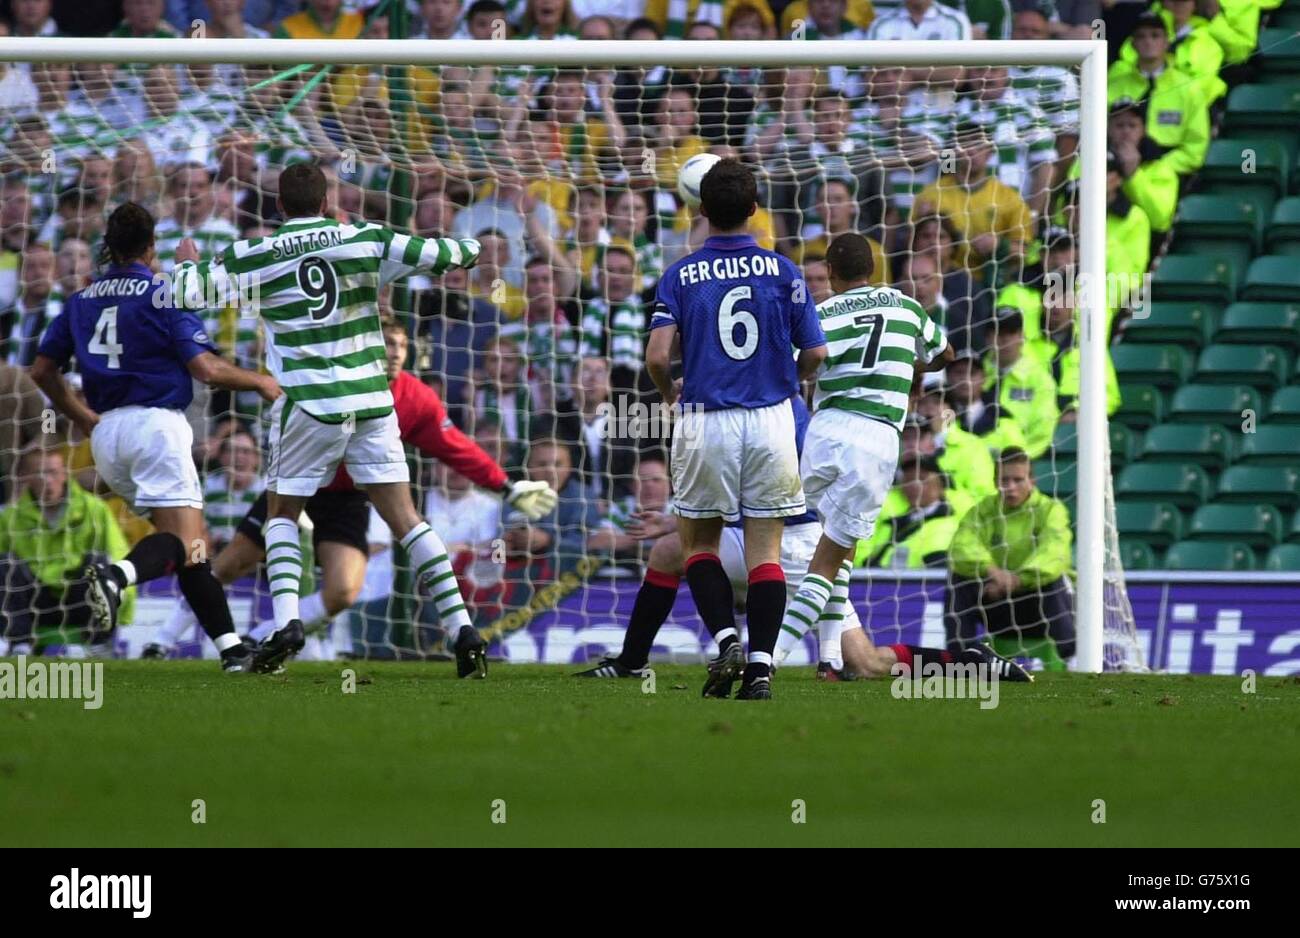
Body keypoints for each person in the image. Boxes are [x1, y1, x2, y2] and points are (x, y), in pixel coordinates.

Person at [172, 162, 496, 676]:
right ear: (326, 204)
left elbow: (186, 296)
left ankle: (286, 625)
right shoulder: (363, 237)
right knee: (408, 520)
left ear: (280, 206)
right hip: (371, 403)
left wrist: (186, 261)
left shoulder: (253, 252)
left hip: (308, 405)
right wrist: (469, 246)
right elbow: (450, 255)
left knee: (281, 515)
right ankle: (462, 628)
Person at [148, 314, 557, 664]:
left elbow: (456, 448)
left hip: (347, 496)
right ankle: (162, 640)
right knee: (232, 563)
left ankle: (265, 633)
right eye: (387, 344)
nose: (395, 352)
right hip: (300, 485)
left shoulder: (416, 398)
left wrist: (504, 485)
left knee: (343, 590)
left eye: (401, 345)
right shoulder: (332, 376)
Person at [29, 200, 279, 673]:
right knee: (184, 544)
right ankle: (115, 574)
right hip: (155, 428)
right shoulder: (163, 293)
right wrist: (261, 381)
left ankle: (231, 650)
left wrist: (80, 416)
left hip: (107, 436)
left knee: (191, 544)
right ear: (150, 248)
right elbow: (205, 368)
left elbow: (42, 369)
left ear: (110, 246)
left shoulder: (82, 299)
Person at [645, 157, 827, 700]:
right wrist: (789, 381)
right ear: (754, 209)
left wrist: (668, 391)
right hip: (771, 418)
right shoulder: (783, 270)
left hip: (705, 418)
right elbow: (815, 351)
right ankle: (762, 668)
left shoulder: (681, 273)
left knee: (698, 540)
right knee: (764, 551)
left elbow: (658, 354)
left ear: (700, 210)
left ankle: (725, 637)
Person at [946, 446, 1075, 662]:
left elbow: (1054, 553)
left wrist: (1015, 580)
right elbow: (961, 546)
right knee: (958, 580)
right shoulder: (983, 510)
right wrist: (993, 572)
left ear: (1032, 481)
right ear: (995, 481)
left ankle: (1073, 658)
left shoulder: (1051, 510)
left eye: (1018, 480)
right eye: (1004, 480)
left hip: (1039, 608)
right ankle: (960, 659)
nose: (1011, 487)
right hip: (996, 601)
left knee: (1054, 580)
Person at [0, 446, 131, 654]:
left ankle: (98, 643)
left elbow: (120, 557)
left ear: (64, 473)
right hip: (34, 604)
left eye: (52, 472)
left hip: (80, 600)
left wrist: (123, 613)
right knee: (5, 564)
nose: (47, 480)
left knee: (97, 561)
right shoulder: (10, 517)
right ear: (26, 477)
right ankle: (19, 646)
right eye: (39, 473)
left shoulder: (94, 509)